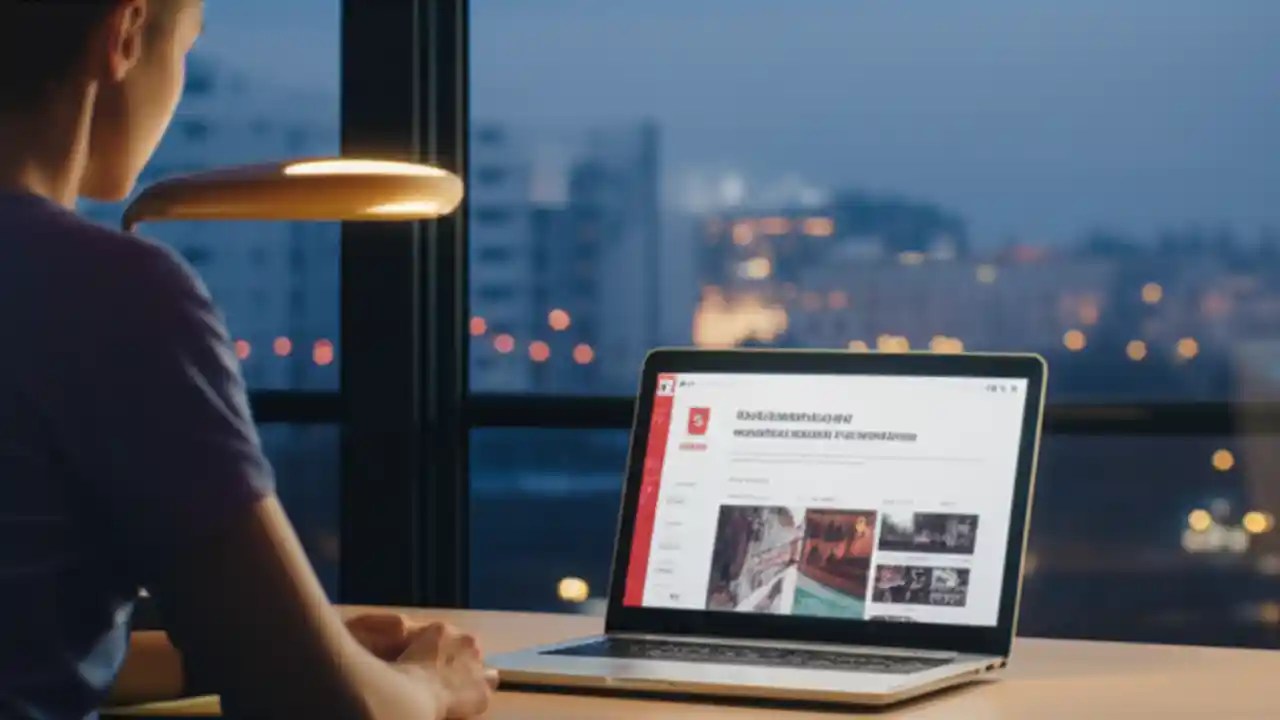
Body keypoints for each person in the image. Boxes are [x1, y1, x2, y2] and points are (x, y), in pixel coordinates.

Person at [0, 1, 495, 717]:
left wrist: (270, 641)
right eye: (186, 46)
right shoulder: (108, 292)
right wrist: (434, 685)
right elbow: (322, 706)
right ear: (126, 34)